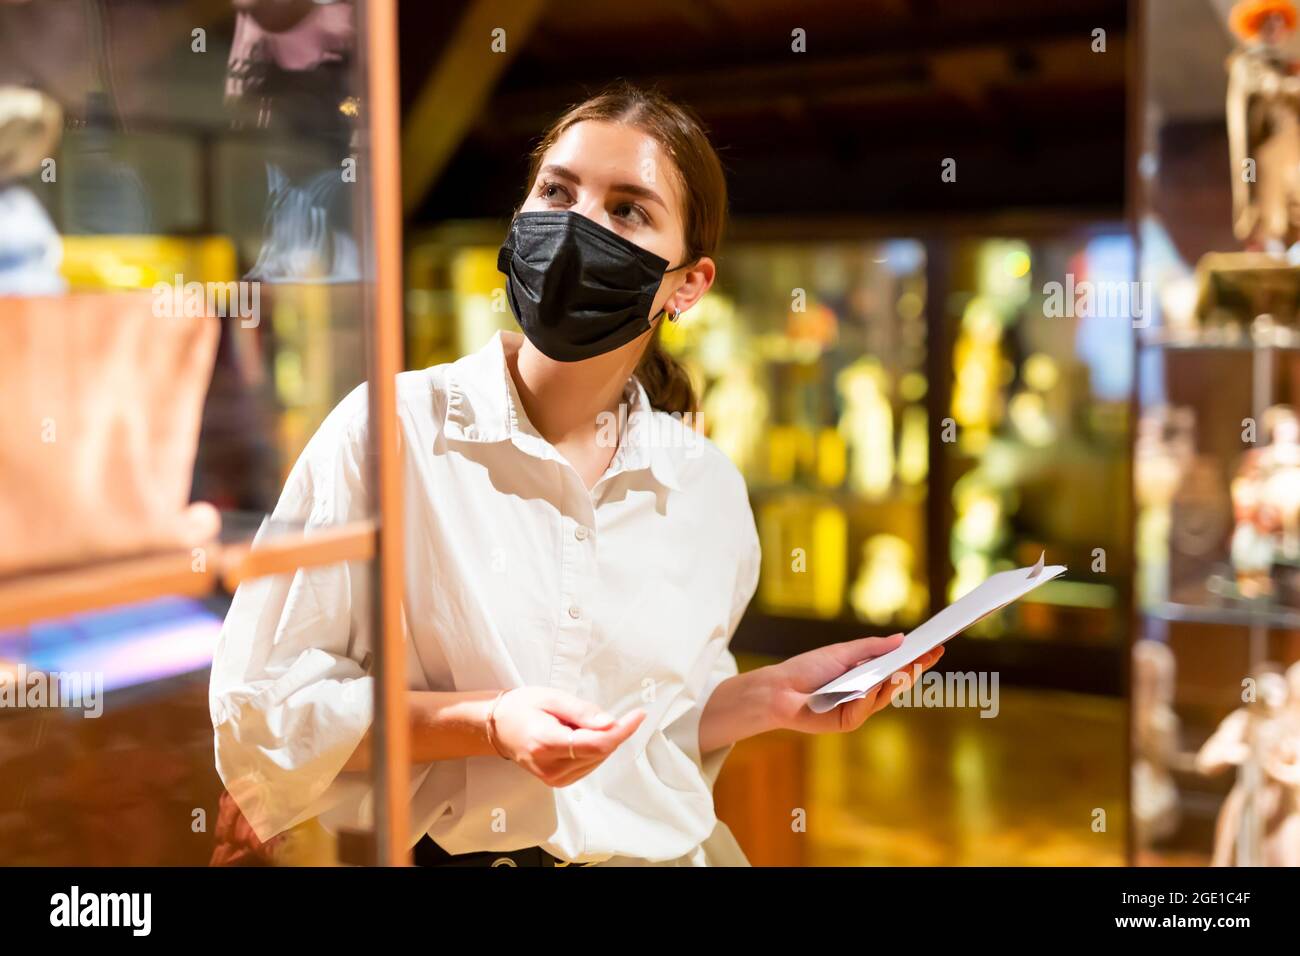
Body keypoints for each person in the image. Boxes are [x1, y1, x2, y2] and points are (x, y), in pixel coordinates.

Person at [209, 81, 943, 867]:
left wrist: (769, 697)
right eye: (556, 190)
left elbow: (656, 727)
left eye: (628, 209)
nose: (574, 227)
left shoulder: (704, 488)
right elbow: (266, 714)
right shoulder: (390, 431)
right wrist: (485, 722)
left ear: (687, 285)